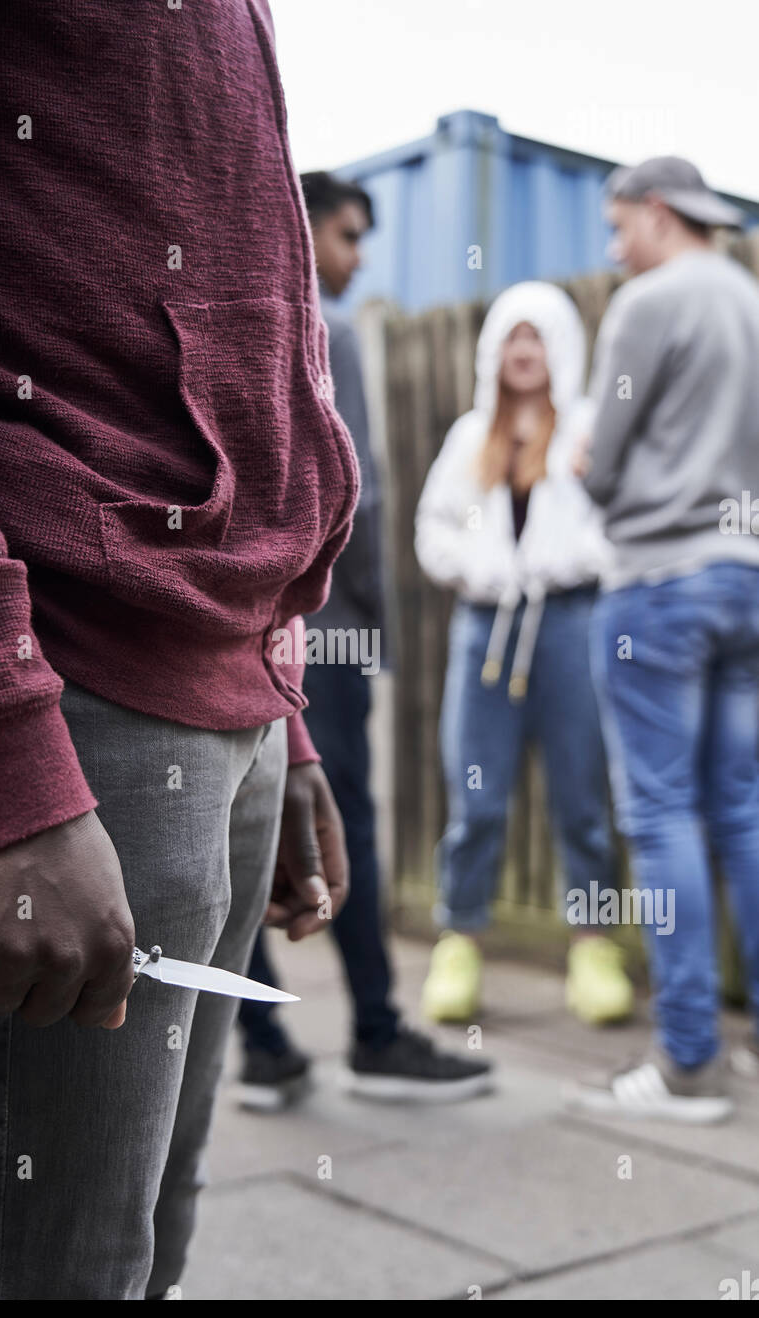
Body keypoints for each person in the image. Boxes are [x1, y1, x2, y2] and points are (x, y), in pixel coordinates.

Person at [0, 1, 354, 1301]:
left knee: (132, 1253)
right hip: (56, 672)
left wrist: (282, 699)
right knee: (30, 1286)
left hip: (218, 691)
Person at [236, 172, 493, 1107]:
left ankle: (263, 1043)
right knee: (346, 818)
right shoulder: (324, 327)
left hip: (228, 621)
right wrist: (370, 620)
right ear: (304, 226)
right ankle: (378, 1035)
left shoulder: (229, 310)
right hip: (321, 621)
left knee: (235, 821)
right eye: (348, 236)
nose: (356, 259)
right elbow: (361, 493)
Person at [570, 157, 759, 1123]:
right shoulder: (752, 302)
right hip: (747, 576)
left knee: (661, 814)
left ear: (655, 212)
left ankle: (689, 1063)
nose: (614, 249)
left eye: (617, 227)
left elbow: (601, 468)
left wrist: (581, 458)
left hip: (660, 584)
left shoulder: (651, 302)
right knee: (743, 808)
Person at [415, 281, 631, 1026]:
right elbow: (432, 532)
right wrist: (476, 570)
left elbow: (623, 522)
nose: (525, 352)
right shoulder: (468, 436)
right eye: (514, 337)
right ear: (494, 350)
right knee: (475, 799)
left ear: (562, 346)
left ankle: (594, 948)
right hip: (485, 632)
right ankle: (460, 940)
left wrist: (572, 559)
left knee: (584, 798)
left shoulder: (588, 429)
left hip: (573, 626)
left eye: (538, 337)